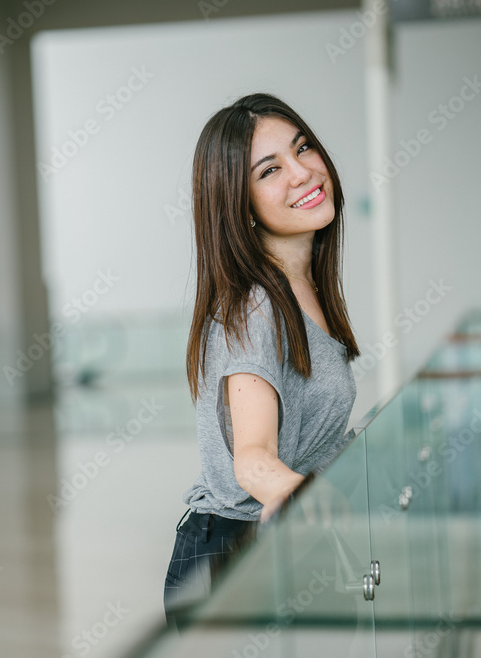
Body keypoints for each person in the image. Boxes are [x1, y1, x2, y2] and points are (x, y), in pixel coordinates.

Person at [163, 93, 361, 627]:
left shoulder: (304, 290)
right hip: (230, 556)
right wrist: (290, 488)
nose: (302, 173)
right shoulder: (256, 307)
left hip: (274, 544)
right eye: (270, 170)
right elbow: (251, 459)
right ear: (238, 204)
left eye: (303, 148)